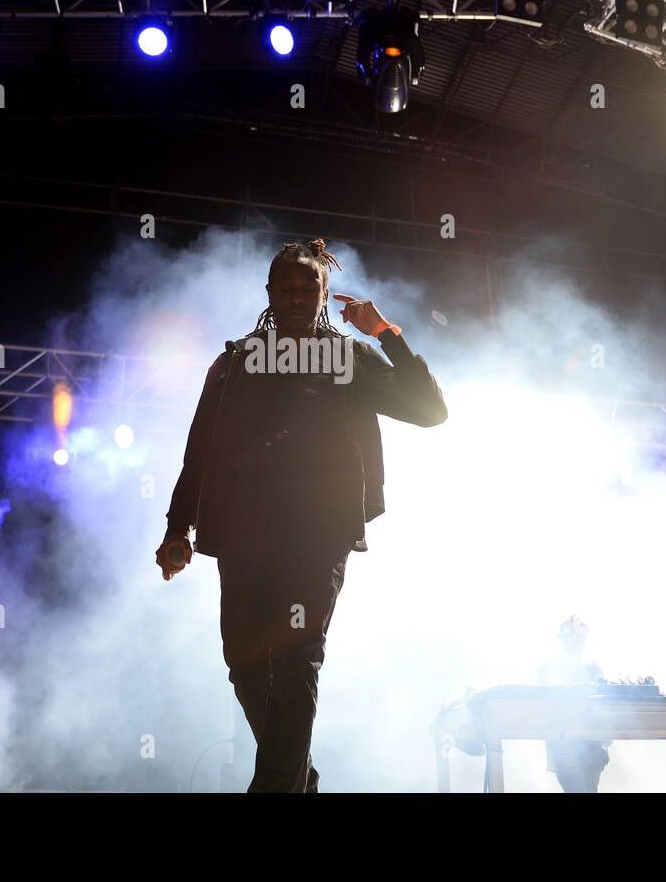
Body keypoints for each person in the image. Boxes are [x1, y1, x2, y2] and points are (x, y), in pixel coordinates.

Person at [155, 237, 447, 792]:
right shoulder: (236, 361)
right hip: (244, 534)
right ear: (269, 293)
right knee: (243, 663)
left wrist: (384, 333)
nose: (295, 296)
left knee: (294, 659)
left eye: (307, 286)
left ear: (325, 293)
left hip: (317, 535)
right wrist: (178, 526)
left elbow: (432, 411)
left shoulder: (350, 359)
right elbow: (202, 447)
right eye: (285, 287)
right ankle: (299, 780)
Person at [537, 615, 610, 793]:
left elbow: (605, 700)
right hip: (564, 743)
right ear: (565, 639)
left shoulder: (592, 666)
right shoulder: (549, 666)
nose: (581, 642)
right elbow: (545, 684)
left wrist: (605, 743)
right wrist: (577, 688)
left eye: (583, 638)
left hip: (592, 746)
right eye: (577, 637)